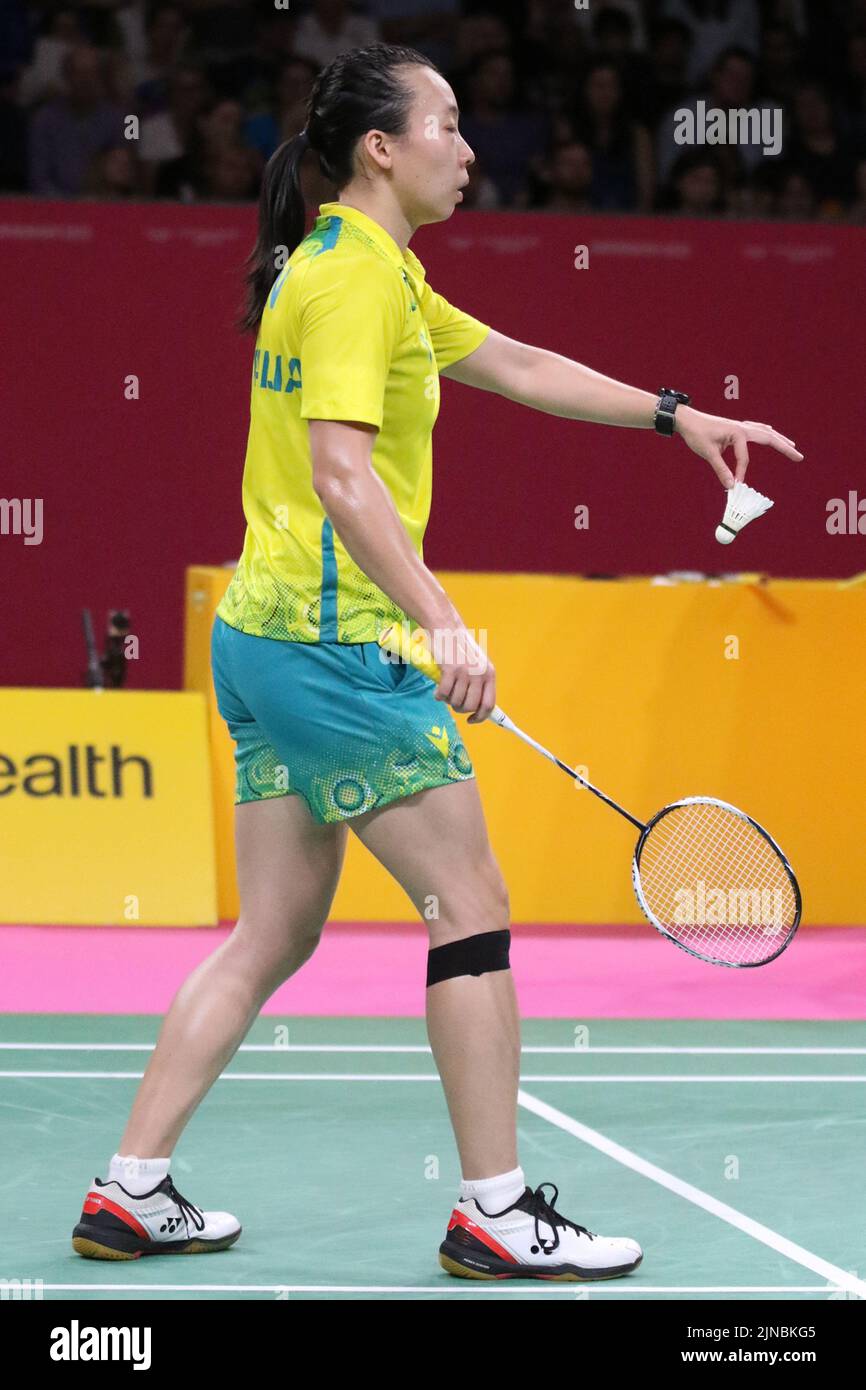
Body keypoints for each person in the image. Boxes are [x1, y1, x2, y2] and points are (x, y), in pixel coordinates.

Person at [71, 40, 802, 1280]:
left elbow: (516, 364)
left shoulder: (368, 270)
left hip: (259, 638)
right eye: (447, 125)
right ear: (379, 147)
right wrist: (441, 620)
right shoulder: (355, 281)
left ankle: (127, 1190)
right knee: (469, 908)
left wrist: (682, 417)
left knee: (272, 933)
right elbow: (341, 472)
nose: (469, 149)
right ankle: (495, 1210)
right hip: (337, 645)